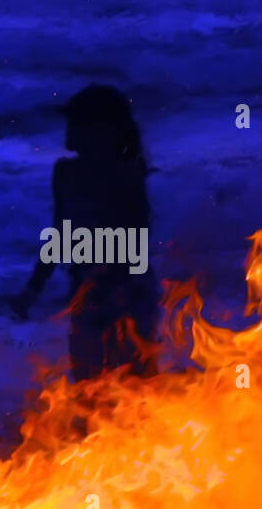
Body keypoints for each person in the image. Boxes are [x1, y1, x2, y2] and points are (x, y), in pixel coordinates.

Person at [11, 84, 159, 380]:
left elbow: (137, 231)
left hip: (127, 290)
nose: (70, 132)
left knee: (133, 380)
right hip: (85, 289)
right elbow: (60, 235)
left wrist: (111, 280)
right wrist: (33, 288)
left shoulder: (127, 174)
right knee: (87, 381)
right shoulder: (65, 173)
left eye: (77, 124)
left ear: (105, 131)